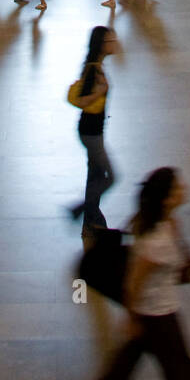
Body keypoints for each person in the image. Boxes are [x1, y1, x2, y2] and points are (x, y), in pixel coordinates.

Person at [74, 166, 190, 380]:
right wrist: (132, 318)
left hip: (151, 315)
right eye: (178, 187)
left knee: (122, 369)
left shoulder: (161, 223)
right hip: (159, 318)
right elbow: (134, 281)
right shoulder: (159, 240)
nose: (184, 189)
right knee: (182, 377)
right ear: (166, 198)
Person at [67, 27, 117, 231]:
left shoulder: (96, 66)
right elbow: (81, 100)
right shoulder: (94, 70)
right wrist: (101, 92)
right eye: (111, 41)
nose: (115, 44)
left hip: (94, 131)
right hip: (91, 132)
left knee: (95, 174)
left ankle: (91, 218)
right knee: (111, 177)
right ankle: (83, 210)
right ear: (102, 45)